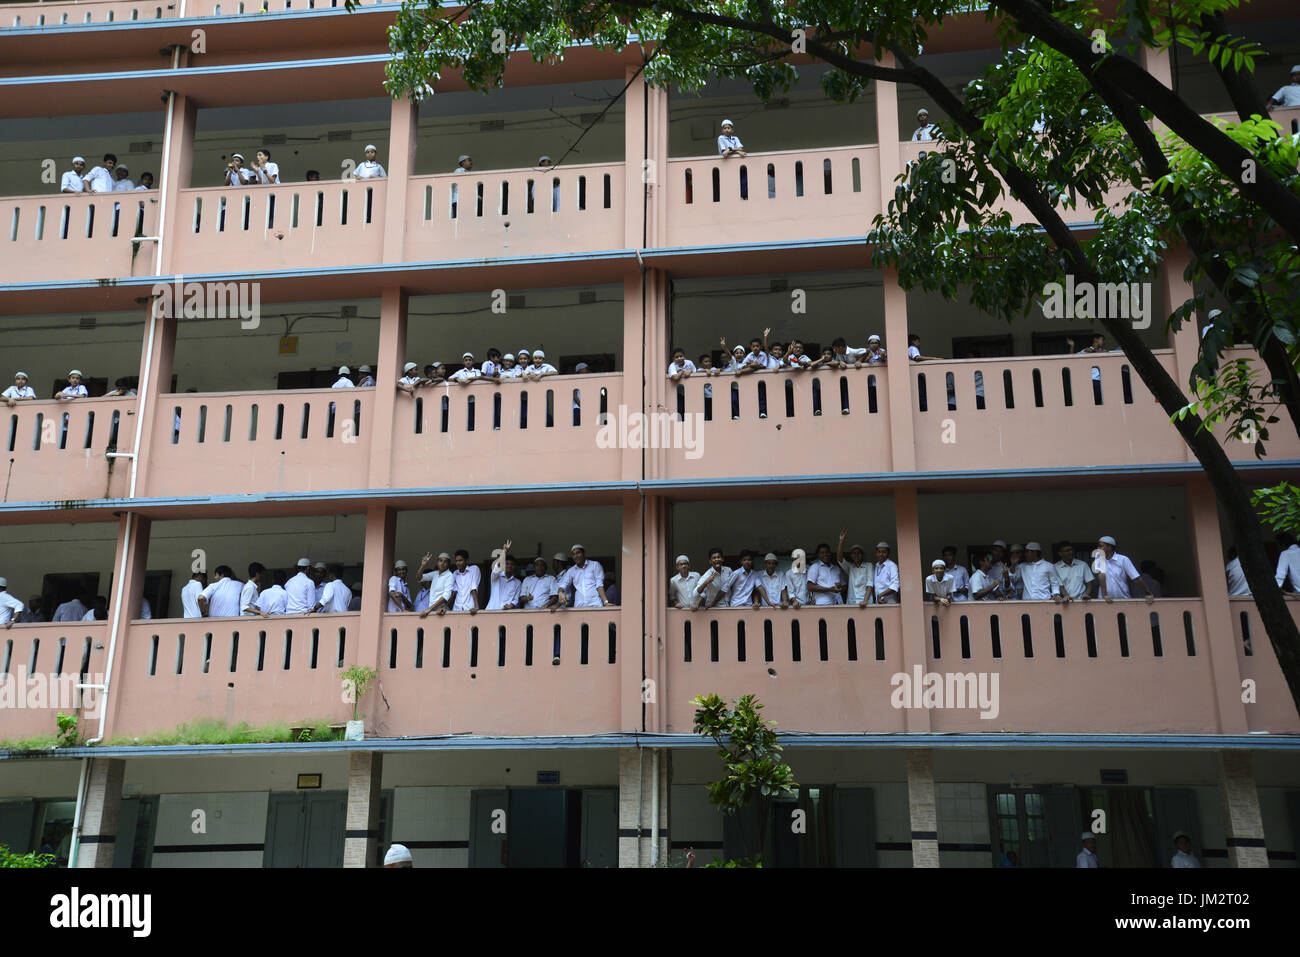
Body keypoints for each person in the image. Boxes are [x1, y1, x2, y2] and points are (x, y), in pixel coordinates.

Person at [1095, 535, 1154, 603]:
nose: (1098, 548)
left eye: (1101, 546)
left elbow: (1136, 577)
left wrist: (1148, 592)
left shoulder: (1123, 560)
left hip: (1123, 599)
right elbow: (1101, 577)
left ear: (1109, 547)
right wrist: (1104, 595)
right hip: (1105, 600)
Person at [555, 545, 611, 611]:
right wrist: (560, 593)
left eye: (578, 553)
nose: (576, 556)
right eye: (574, 554)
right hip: (579, 606)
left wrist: (606, 602)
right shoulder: (571, 571)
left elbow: (599, 585)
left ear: (584, 554)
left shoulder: (595, 565)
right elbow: (563, 584)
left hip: (595, 604)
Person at [836, 532, 874, 607]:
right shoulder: (850, 567)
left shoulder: (869, 565)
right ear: (851, 555)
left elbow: (870, 584)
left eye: (858, 553)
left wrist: (865, 601)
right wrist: (841, 541)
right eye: (853, 553)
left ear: (862, 555)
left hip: (866, 602)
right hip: (851, 602)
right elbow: (839, 559)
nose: (856, 555)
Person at [485, 543, 522, 611]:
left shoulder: (517, 582)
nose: (509, 566)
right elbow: (497, 566)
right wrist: (504, 552)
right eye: (507, 563)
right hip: (491, 611)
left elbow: (515, 600)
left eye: (512, 564)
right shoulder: (496, 576)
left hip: (506, 613)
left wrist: (511, 605)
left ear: (515, 566)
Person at [451, 550, 482, 615]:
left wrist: (476, 606)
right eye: (456, 561)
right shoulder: (455, 573)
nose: (458, 563)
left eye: (460, 560)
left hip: (470, 608)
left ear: (466, 560)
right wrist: (445, 607)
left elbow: (473, 588)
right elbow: (454, 592)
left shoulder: (474, 569)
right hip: (457, 608)